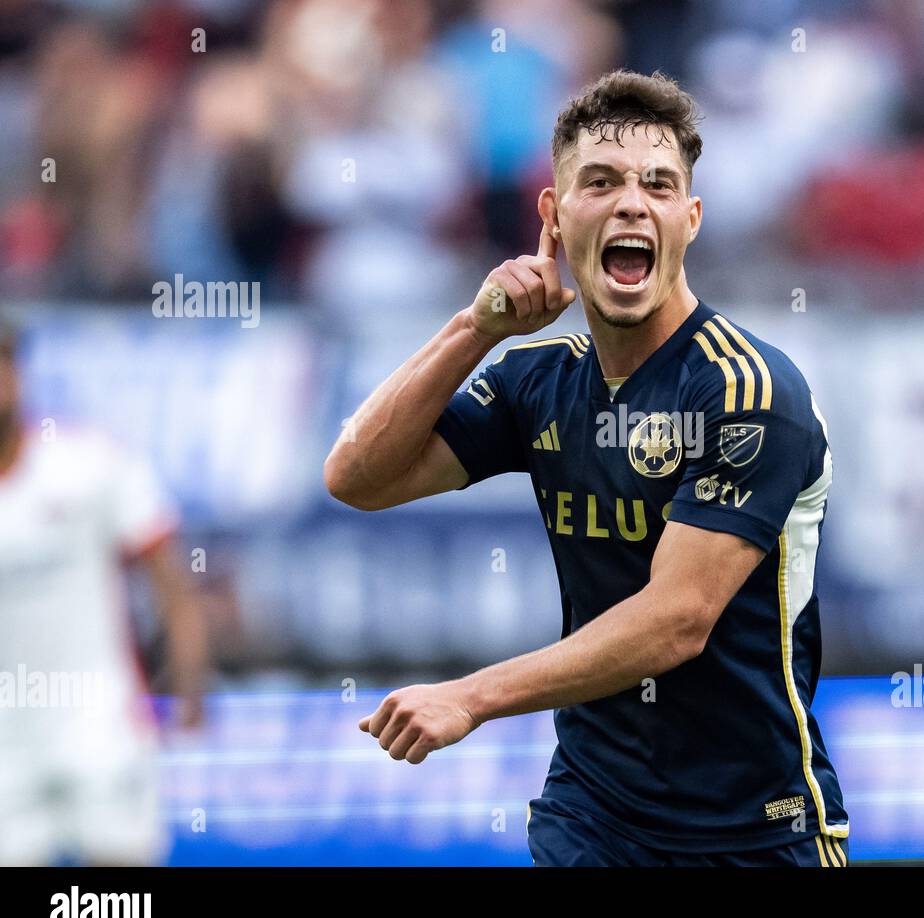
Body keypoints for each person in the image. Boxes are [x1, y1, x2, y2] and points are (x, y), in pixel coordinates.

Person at [326, 70, 849, 866]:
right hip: (593, 814)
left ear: (690, 218)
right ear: (555, 215)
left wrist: (471, 697)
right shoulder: (537, 380)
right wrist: (476, 328)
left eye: (659, 185)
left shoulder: (748, 390)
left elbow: (677, 620)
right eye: (600, 182)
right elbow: (356, 476)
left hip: (754, 826)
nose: (632, 203)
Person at [0, 319, 208, 865]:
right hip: (6, 746)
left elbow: (171, 583)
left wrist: (188, 681)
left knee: (116, 906)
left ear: (18, 374)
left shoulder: (90, 463)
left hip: (100, 721)